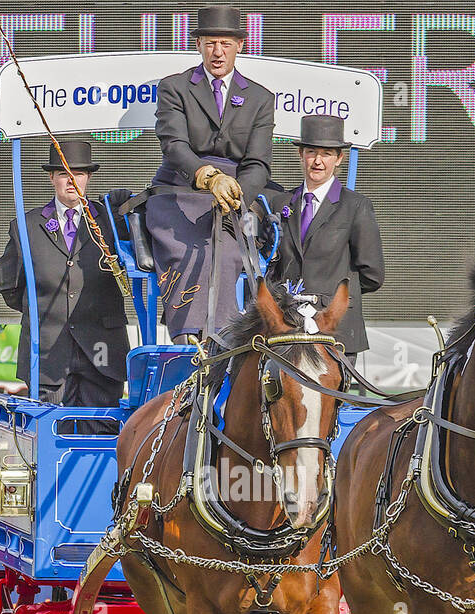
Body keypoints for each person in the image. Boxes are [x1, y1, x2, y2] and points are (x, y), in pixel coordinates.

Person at [149, 5, 275, 341]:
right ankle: (189, 335)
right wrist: (208, 176)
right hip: (181, 189)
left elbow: (259, 163)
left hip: (236, 194)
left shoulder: (261, 98)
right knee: (191, 251)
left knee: (228, 252)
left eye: (225, 44)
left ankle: (226, 337)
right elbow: (174, 146)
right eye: (210, 43)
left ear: (240, 46)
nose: (217, 52)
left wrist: (236, 192)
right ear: (199, 45)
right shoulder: (174, 88)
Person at [0, 140, 129, 405]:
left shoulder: (111, 222)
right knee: (49, 433)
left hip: (102, 352)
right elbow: (8, 284)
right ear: (52, 177)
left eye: (78, 173)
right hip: (47, 356)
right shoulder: (28, 225)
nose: (72, 181)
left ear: (88, 177)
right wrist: (46, 311)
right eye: (64, 174)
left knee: (100, 434)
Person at [267, 114, 384, 360]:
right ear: (300, 154)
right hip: (286, 330)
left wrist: (329, 298)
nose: (318, 161)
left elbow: (373, 274)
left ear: (339, 158)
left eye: (327, 153)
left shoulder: (356, 206)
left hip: (335, 331)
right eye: (311, 152)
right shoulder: (280, 203)